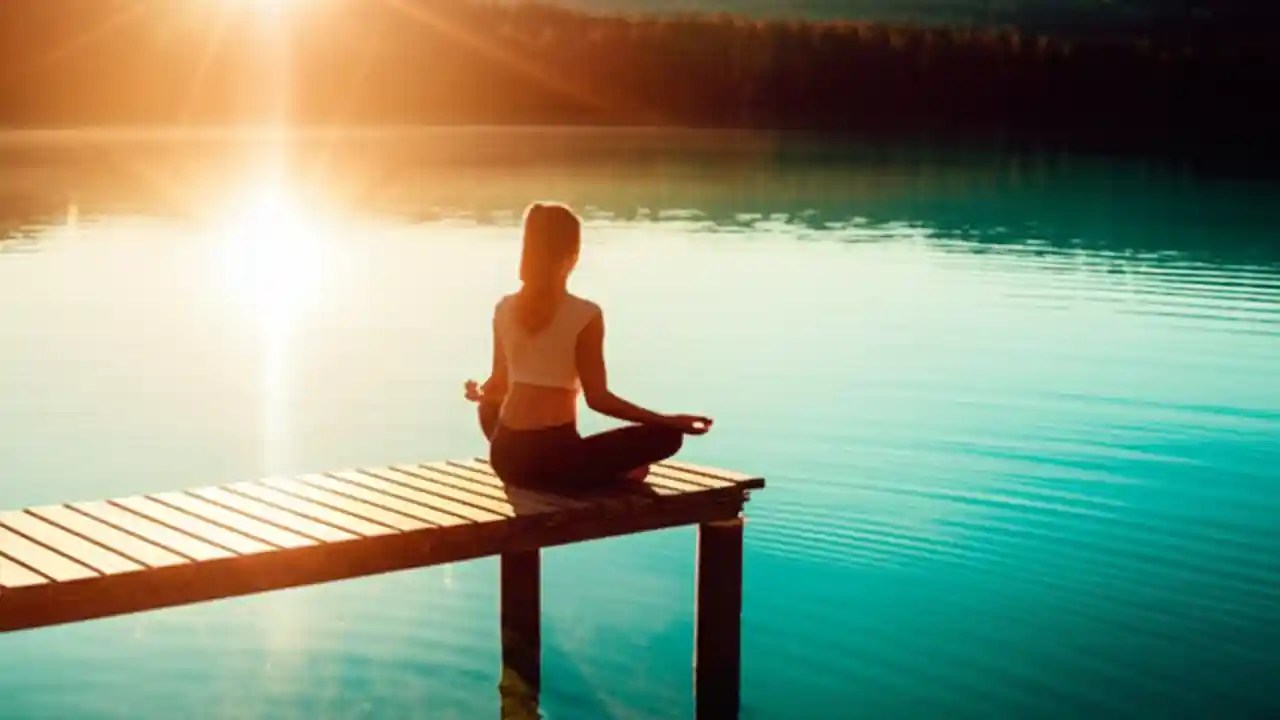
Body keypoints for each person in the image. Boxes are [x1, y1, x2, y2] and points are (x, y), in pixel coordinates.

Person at [464, 202, 712, 492]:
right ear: (572, 256)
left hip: (506, 458)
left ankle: (599, 474)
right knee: (666, 437)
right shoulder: (585, 315)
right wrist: (669, 421)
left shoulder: (504, 308)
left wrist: (478, 393)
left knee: (488, 408)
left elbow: (497, 386)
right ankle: (609, 477)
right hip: (556, 461)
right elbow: (598, 399)